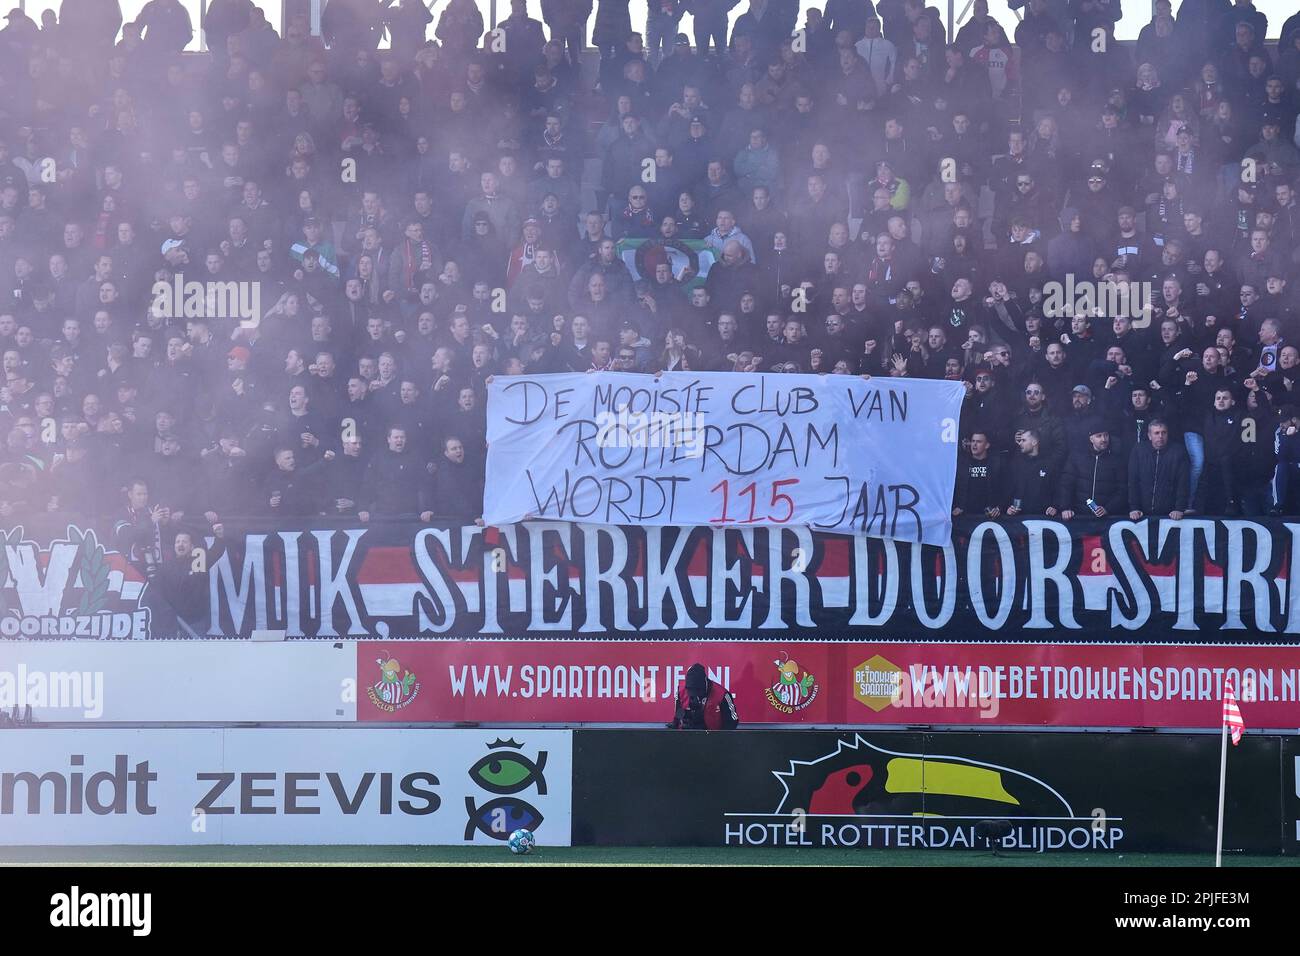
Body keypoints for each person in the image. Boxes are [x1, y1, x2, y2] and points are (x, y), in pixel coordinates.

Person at [668, 663, 739, 729]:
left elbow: (732, 722)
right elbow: (678, 715)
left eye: (698, 690)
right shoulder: (681, 692)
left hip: (713, 737)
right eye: (691, 691)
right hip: (688, 736)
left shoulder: (722, 695)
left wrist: (719, 738)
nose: (695, 694)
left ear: (705, 683)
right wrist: (677, 722)